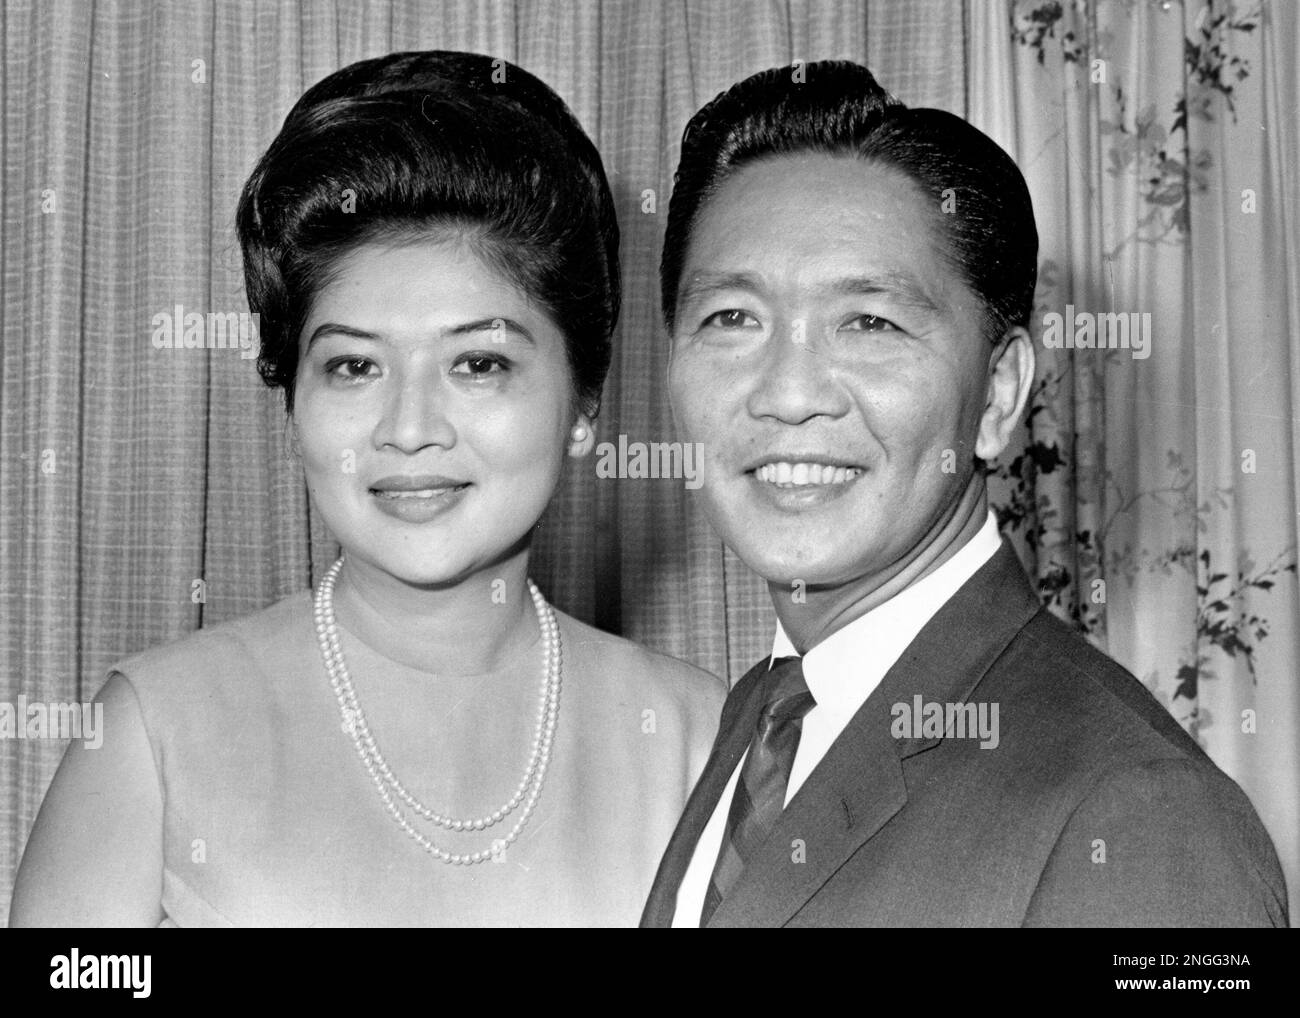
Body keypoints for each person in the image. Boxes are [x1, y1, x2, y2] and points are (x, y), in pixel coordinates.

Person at [11, 50, 723, 928]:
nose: (409, 426)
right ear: (292, 404)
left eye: (478, 363)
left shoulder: (703, 741)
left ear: (583, 400)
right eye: (353, 366)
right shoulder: (150, 737)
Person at [641, 60, 1288, 928]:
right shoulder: (763, 714)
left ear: (997, 396)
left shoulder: (1142, 812)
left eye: (870, 323)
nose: (788, 393)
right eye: (733, 320)